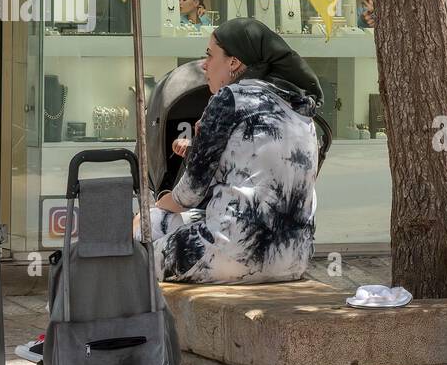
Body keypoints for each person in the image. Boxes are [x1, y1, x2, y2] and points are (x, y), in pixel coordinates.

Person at [137, 17, 319, 283]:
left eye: (210, 55)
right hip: (293, 257)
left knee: (141, 239)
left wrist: (159, 204)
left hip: (235, 253)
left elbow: (188, 195)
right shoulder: (300, 106)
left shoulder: (230, 98)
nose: (204, 65)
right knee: (183, 220)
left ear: (233, 62)